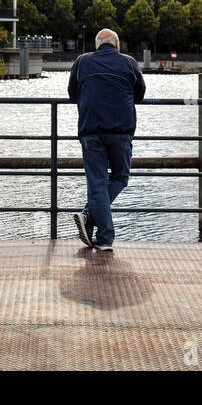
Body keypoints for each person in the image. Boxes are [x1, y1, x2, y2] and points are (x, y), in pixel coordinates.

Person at [67, 28, 146, 251]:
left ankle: (93, 222)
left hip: (91, 130)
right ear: (117, 44)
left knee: (97, 182)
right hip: (121, 130)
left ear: (97, 45)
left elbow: (72, 93)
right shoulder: (129, 62)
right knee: (120, 177)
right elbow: (139, 94)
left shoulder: (82, 62)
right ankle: (102, 234)